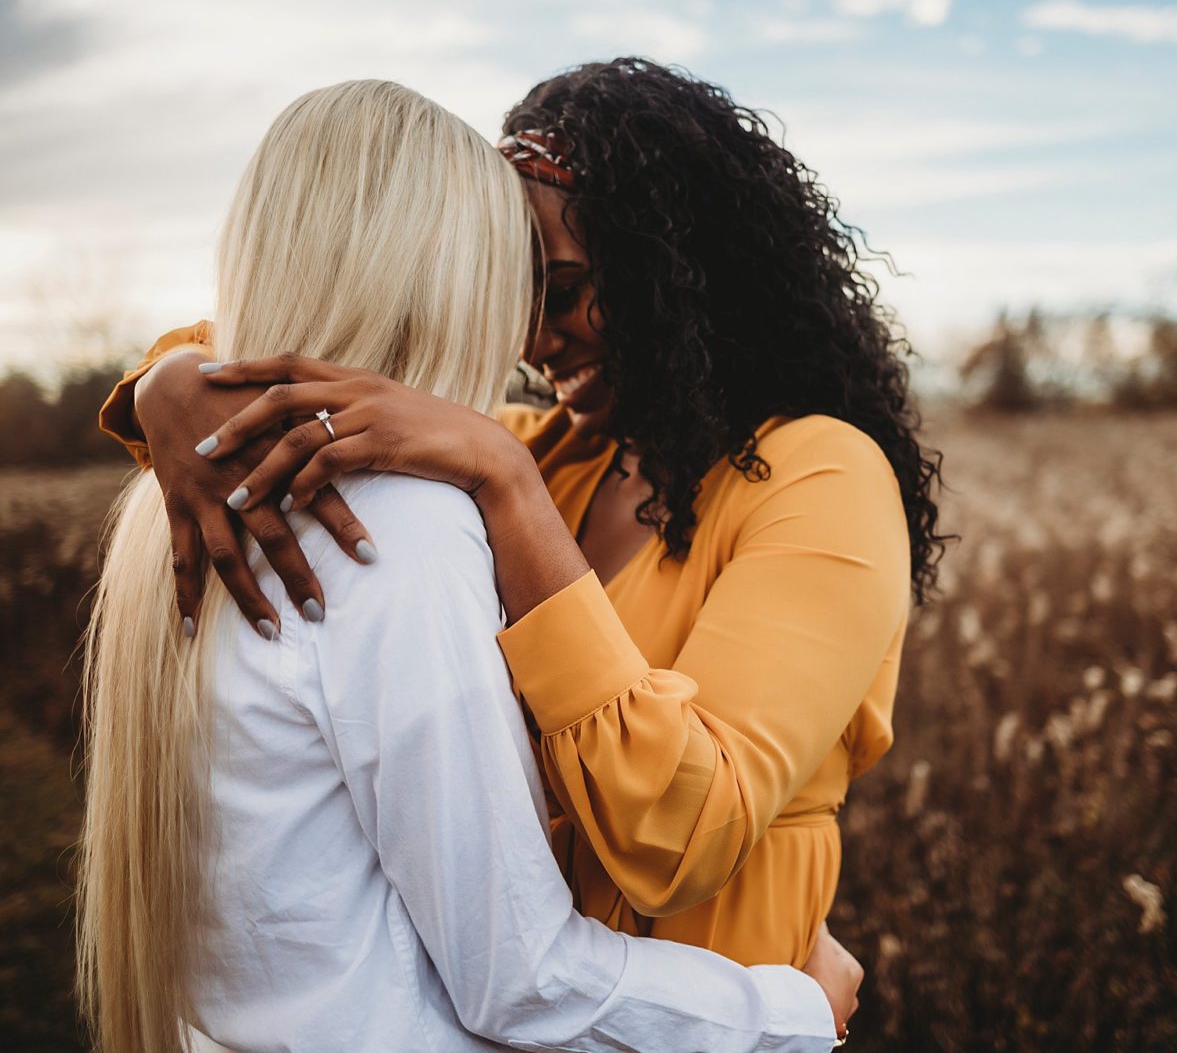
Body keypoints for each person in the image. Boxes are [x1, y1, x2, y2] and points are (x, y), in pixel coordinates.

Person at [101, 59, 948, 975]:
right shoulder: (552, 452)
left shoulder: (819, 475)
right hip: (516, 1009)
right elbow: (331, 344)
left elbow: (684, 831)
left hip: (716, 1011)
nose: (531, 337)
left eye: (567, 284)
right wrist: (170, 378)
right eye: (513, 290)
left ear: (680, 274)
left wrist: (507, 481)